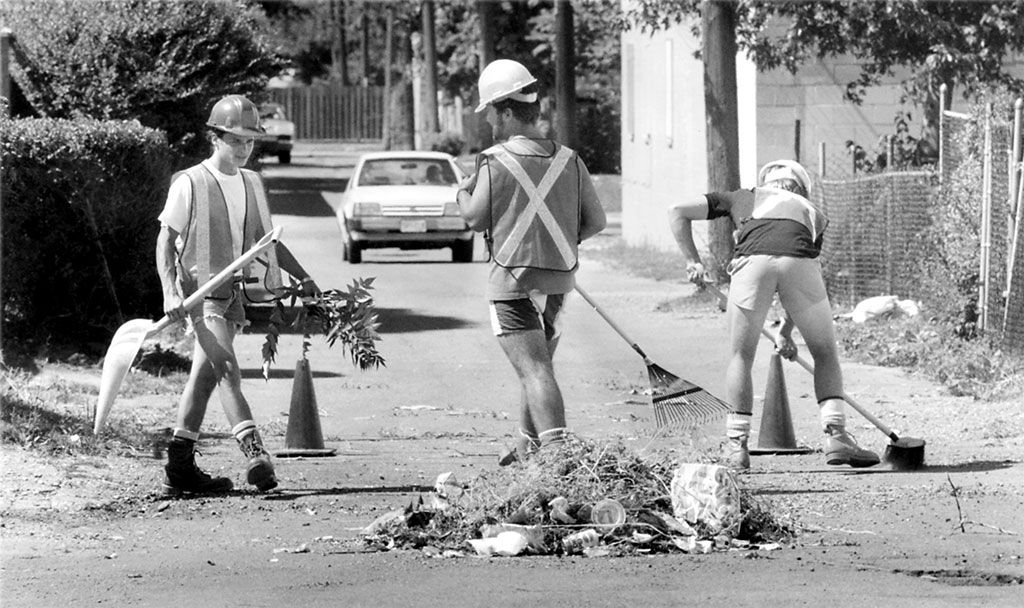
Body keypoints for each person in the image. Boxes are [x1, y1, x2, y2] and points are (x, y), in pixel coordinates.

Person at [668, 159, 879, 471]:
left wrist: (693, 261)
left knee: (741, 356)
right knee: (824, 353)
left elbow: (677, 211)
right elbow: (795, 264)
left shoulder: (742, 196)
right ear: (801, 188)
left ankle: (736, 446)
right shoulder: (813, 213)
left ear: (765, 182)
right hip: (800, 264)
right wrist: (786, 331)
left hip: (752, 261)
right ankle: (836, 436)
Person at [156, 94, 320, 494]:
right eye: (236, 140)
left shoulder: (251, 183)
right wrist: (169, 292)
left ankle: (179, 466)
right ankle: (255, 454)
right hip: (202, 294)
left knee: (205, 375)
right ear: (215, 137)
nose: (244, 149)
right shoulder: (190, 182)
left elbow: (267, 244)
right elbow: (165, 240)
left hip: (234, 294)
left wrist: (304, 278)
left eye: (250, 141)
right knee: (227, 367)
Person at [457, 59, 606, 463]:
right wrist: (553, 241)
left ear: (506, 110)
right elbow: (596, 222)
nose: (488, 119)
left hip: (511, 283)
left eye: (490, 110)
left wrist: (460, 192)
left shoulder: (495, 160)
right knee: (537, 369)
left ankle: (558, 460)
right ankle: (528, 454)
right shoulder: (569, 159)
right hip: (558, 286)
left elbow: (474, 219)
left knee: (535, 372)